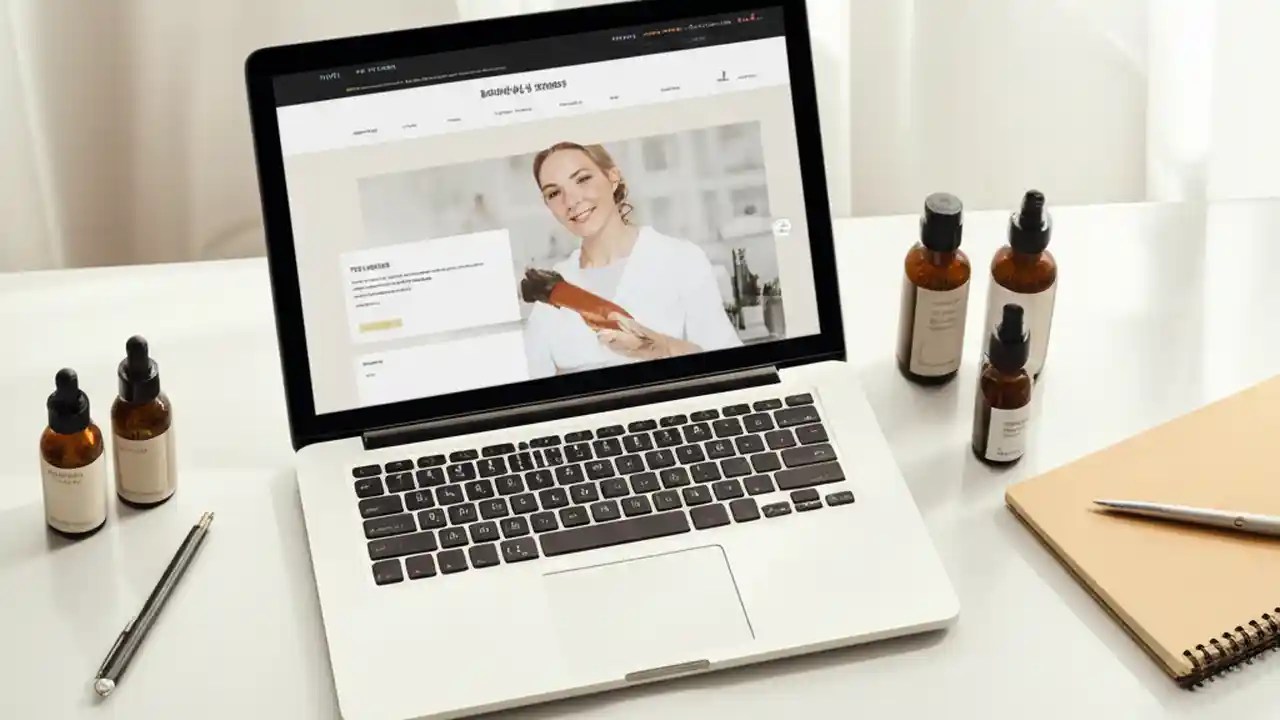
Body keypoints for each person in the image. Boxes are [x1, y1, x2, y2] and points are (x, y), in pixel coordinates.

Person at [523, 141, 742, 377]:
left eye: (582, 179)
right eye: (554, 193)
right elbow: (531, 388)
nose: (571, 200)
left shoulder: (681, 259)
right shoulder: (551, 289)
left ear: (613, 178)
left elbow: (730, 366)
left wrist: (659, 347)